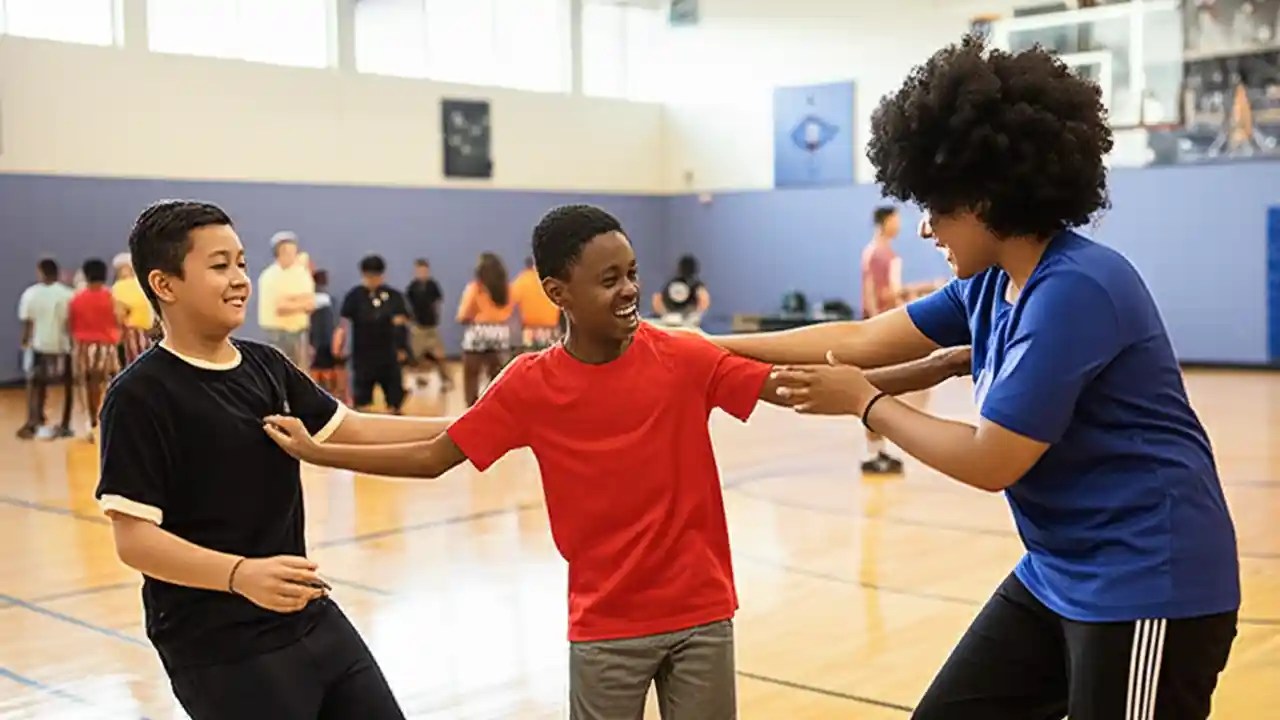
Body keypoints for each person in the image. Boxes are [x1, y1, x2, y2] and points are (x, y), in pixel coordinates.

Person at [260, 204, 971, 720]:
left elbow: (800, 388)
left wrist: (937, 365)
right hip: (606, 625)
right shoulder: (530, 385)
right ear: (558, 293)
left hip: (701, 613)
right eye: (608, 279)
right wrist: (321, 452)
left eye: (631, 273)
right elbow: (435, 455)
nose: (628, 289)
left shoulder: (682, 357)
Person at [708, 37, 1240, 719]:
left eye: (937, 207)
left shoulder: (1076, 288)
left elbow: (994, 460)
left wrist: (867, 404)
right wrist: (701, 346)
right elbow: (859, 339)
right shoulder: (987, 286)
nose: (924, 229)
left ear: (987, 198)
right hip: (1057, 573)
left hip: (1147, 583)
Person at [93, 200, 453, 719]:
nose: (240, 279)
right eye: (220, 266)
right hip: (219, 645)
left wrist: (478, 423)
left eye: (241, 263)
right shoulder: (139, 395)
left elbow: (352, 427)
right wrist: (240, 574)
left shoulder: (266, 365)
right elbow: (134, 540)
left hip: (308, 614)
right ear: (165, 285)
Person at [859, 206, 906, 474]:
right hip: (880, 331)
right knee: (874, 390)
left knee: (884, 392)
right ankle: (874, 453)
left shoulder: (887, 253)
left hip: (887, 328)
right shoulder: (875, 254)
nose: (898, 224)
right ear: (884, 222)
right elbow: (872, 294)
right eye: (895, 220)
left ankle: (880, 450)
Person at [340, 254, 410, 414]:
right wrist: (341, 346)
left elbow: (401, 325)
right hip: (363, 355)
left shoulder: (394, 296)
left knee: (394, 399)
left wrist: (402, 348)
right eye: (369, 276)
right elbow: (344, 324)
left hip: (389, 354)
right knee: (362, 402)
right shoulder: (354, 296)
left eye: (376, 275)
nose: (372, 280)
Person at [17, 258, 75, 440]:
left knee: (35, 384)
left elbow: (28, 322)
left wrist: (24, 342)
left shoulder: (30, 294)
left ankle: (33, 421)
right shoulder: (68, 294)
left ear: (40, 272)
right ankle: (65, 424)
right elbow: (71, 323)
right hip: (63, 345)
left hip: (39, 345)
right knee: (67, 385)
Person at [68, 258, 122, 441]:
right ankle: (107, 419)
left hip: (84, 347)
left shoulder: (76, 299)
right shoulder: (112, 297)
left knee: (88, 387)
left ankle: (91, 421)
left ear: (86, 275)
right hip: (106, 346)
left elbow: (70, 324)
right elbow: (119, 319)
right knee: (107, 384)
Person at [455, 252, 514, 406]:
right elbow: (509, 311)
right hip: (500, 332)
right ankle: (494, 407)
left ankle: (471, 408)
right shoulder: (507, 288)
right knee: (496, 375)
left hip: (478, 332)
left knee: (471, 375)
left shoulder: (475, 288)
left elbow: (463, 315)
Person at [257, 231, 316, 369]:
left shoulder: (301, 274)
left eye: (294, 251)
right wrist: (299, 301)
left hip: (300, 333)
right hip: (278, 334)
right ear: (279, 253)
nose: (292, 255)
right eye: (288, 251)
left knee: (300, 372)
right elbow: (281, 307)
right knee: (278, 371)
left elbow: (310, 302)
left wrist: (291, 300)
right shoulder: (270, 276)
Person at [405, 258, 451, 390]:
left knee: (440, 355)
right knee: (415, 357)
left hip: (432, 327)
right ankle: (417, 379)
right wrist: (411, 322)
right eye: (420, 271)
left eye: (424, 271)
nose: (422, 273)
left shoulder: (433, 285)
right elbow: (407, 305)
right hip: (418, 327)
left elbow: (438, 302)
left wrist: (436, 317)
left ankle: (446, 380)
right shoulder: (412, 287)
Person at [308, 269, 347, 403]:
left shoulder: (311, 300)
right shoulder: (331, 300)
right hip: (328, 342)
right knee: (331, 371)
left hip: (317, 341)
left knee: (318, 371)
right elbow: (338, 324)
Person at [510, 255, 562, 352]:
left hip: (529, 334)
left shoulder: (521, 281)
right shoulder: (552, 280)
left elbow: (512, 309)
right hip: (552, 333)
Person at [112, 252, 156, 365]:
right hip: (147, 332)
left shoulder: (118, 287)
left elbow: (119, 313)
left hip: (130, 332)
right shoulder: (143, 283)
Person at [651, 254, 710, 328]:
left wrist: (664, 314)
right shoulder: (697, 285)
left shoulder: (671, 282)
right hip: (688, 318)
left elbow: (657, 298)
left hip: (671, 317)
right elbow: (704, 301)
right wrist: (696, 315)